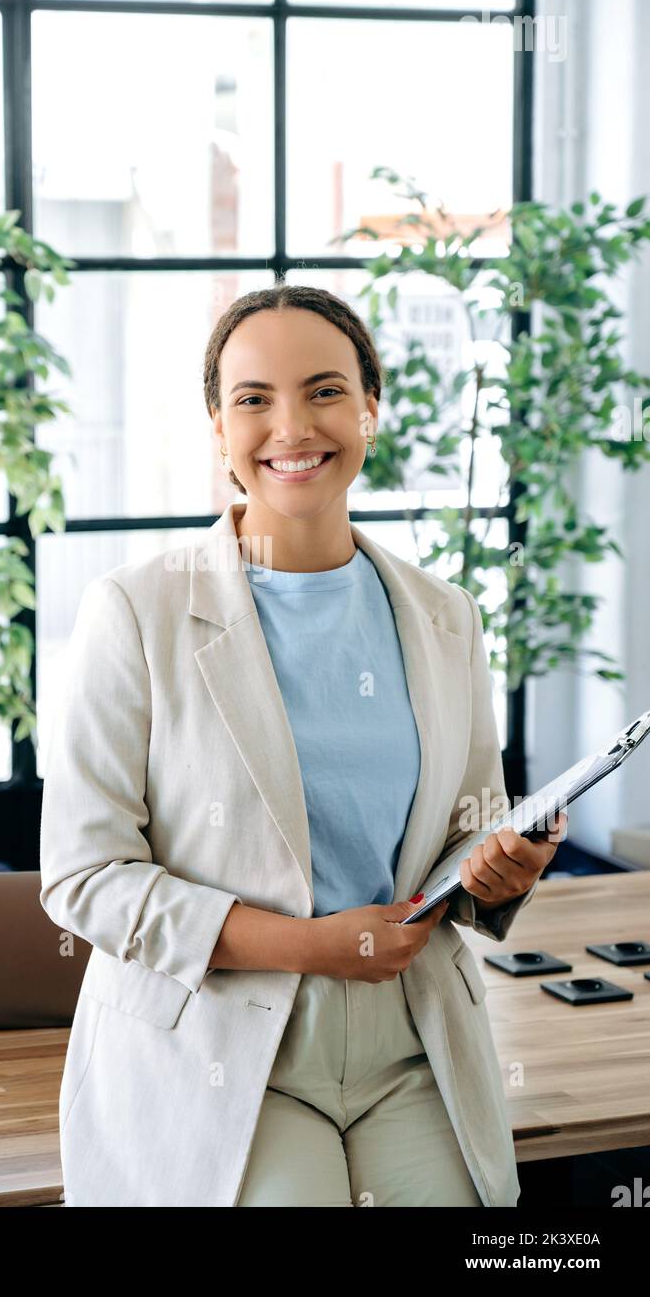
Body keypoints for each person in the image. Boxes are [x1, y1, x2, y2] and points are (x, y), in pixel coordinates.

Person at [39, 284, 563, 1208]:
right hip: (224, 1045)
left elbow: (461, 825)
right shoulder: (135, 611)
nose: (293, 426)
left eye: (325, 391)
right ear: (217, 424)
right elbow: (85, 877)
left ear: (370, 407)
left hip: (414, 1044)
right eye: (254, 399)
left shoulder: (445, 617)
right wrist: (308, 945)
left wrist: (499, 869)